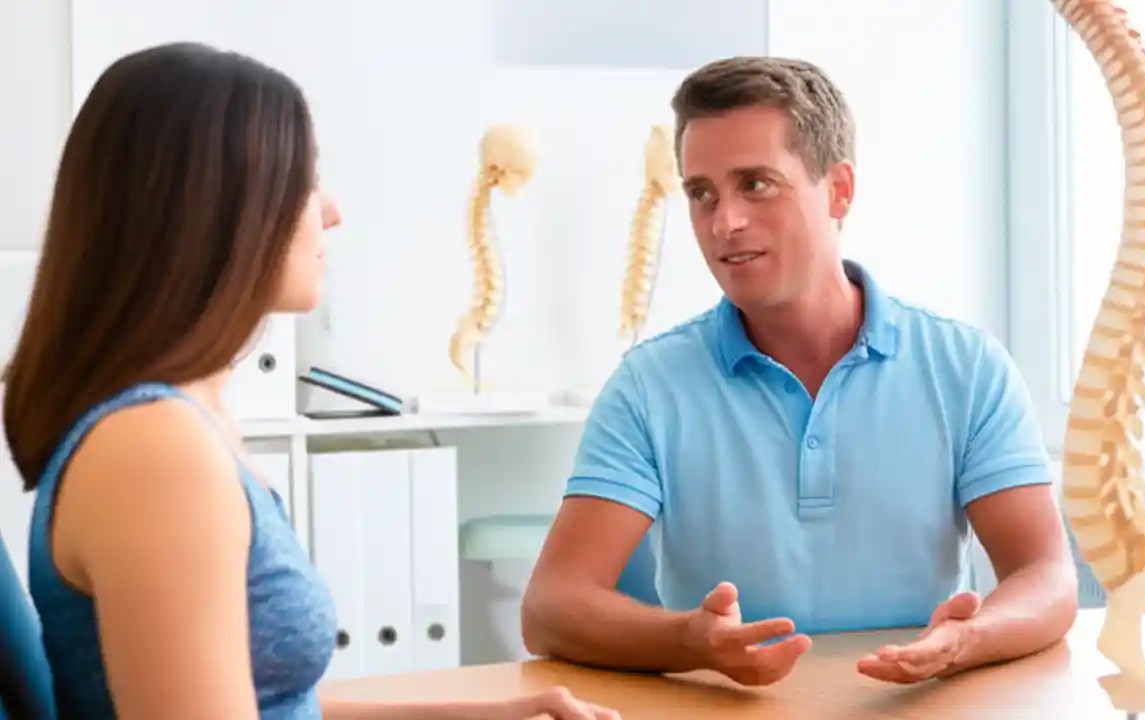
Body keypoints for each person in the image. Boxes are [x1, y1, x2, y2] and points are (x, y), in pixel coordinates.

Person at [1, 42, 618, 720]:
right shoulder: (155, 451)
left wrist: (484, 715)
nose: (331, 211)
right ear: (226, 207)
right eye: (305, 181)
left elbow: (277, 705)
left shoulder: (185, 426)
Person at [520, 55, 1079, 687]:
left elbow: (1047, 579)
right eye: (702, 193)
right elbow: (551, 608)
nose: (723, 222)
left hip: (913, 704)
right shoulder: (649, 385)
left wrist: (969, 641)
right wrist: (692, 641)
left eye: (755, 184)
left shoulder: (968, 368)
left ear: (839, 189)